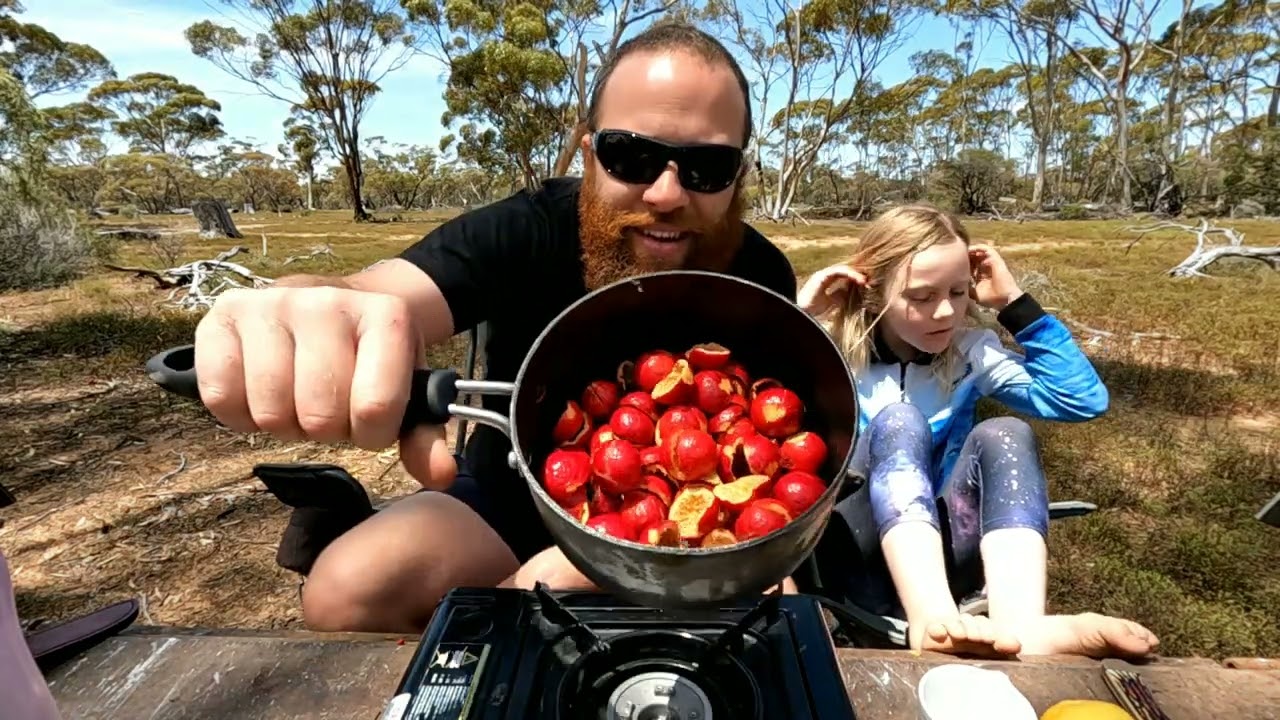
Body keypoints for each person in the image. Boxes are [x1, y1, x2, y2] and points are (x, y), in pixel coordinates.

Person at [190, 22, 799, 634]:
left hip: (701, 536)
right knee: (348, 591)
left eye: (708, 166)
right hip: (511, 502)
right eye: (632, 156)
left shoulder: (763, 272)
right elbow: (378, 293)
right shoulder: (524, 230)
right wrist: (305, 308)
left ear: (739, 176)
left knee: (785, 626)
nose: (667, 193)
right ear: (589, 155)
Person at [798, 204, 1160, 659]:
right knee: (899, 419)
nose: (946, 312)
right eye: (921, 296)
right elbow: (752, 401)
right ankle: (932, 620)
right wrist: (802, 317)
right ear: (874, 295)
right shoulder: (832, 352)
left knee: (1007, 431)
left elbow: (1081, 401)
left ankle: (1024, 625)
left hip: (947, 548)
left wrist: (1014, 305)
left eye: (957, 291)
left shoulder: (970, 354)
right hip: (854, 546)